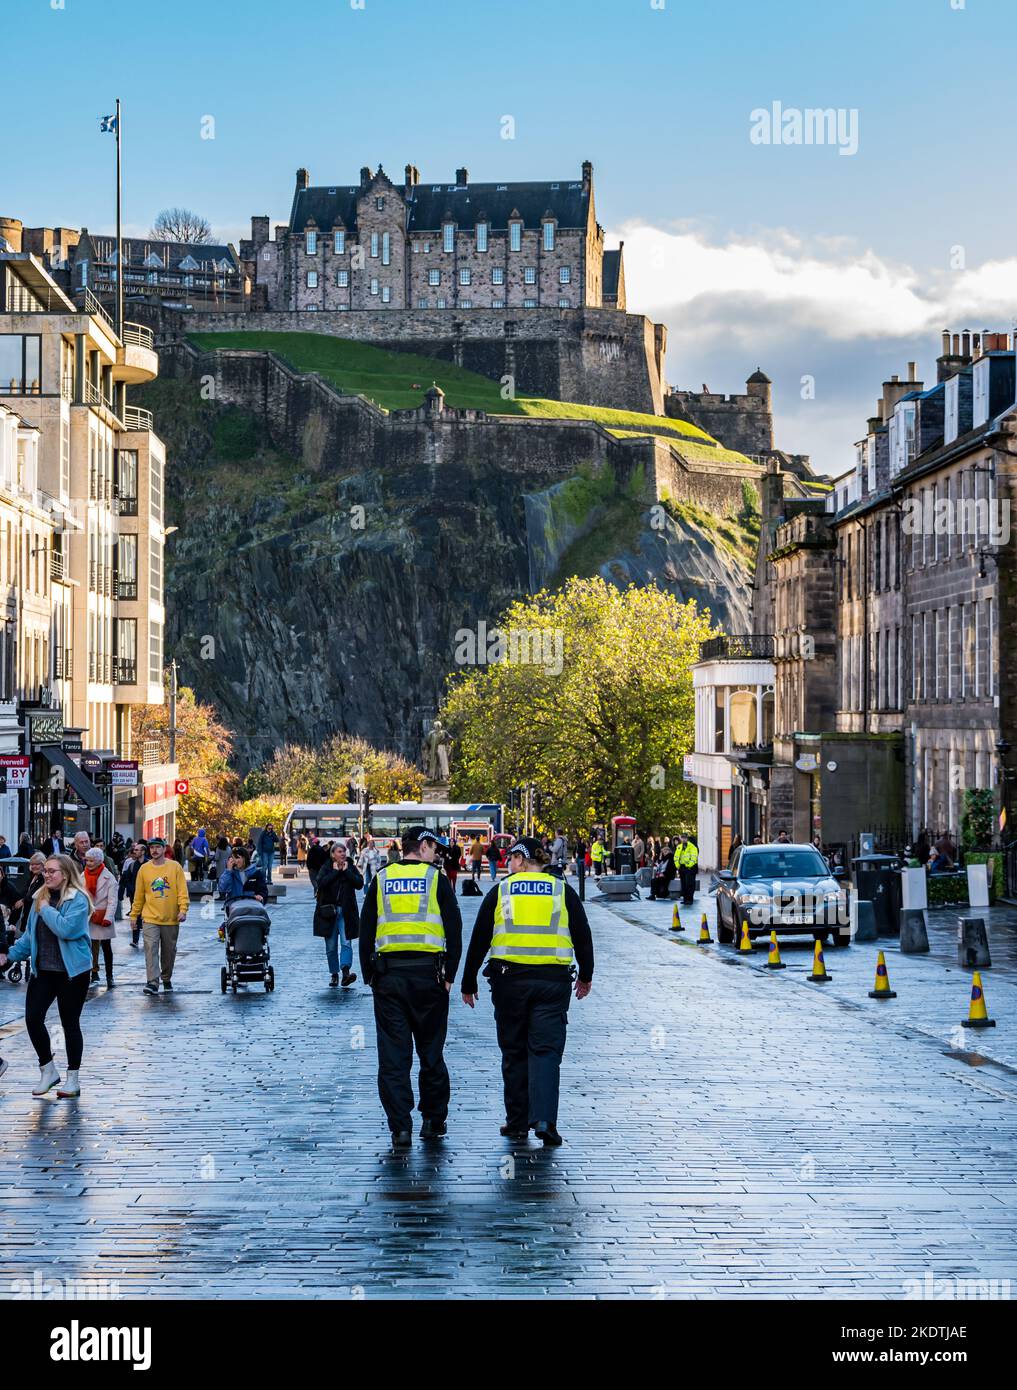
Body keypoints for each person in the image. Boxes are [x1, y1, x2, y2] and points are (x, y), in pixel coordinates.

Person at [461, 836, 594, 1146]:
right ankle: (545, 1120)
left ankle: (517, 1123)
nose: (508, 864)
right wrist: (585, 976)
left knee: (514, 1052)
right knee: (546, 1052)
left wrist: (468, 981)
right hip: (553, 983)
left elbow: (480, 937)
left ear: (522, 860)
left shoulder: (502, 891)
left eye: (511, 859)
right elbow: (583, 936)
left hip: (510, 983)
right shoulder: (562, 890)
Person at [358, 826, 463, 1148]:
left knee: (393, 1056)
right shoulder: (436, 880)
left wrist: (369, 976)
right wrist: (450, 976)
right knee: (431, 1053)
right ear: (425, 846)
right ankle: (433, 1120)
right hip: (429, 977)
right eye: (435, 848)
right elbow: (454, 930)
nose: (438, 853)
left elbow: (365, 930)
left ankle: (400, 1126)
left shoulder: (382, 879)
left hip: (389, 978)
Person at [0, 854, 92, 1097]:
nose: (46, 875)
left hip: (72, 972)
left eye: (52, 871)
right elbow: (30, 936)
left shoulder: (77, 899)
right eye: (45, 871)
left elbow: (66, 929)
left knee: (69, 1024)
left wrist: (45, 910)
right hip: (43, 970)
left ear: (65, 874)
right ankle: (48, 1070)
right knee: (32, 1019)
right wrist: (8, 956)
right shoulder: (41, 897)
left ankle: (73, 1079)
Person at [131, 837, 190, 996]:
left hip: (171, 918)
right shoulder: (144, 869)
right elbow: (139, 896)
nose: (154, 850)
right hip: (150, 917)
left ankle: (166, 977)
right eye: (152, 848)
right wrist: (134, 916)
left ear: (164, 849)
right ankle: (152, 982)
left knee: (169, 952)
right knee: (150, 949)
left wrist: (183, 910)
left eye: (158, 847)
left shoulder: (175, 867)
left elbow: (182, 892)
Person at [314, 840, 363, 987]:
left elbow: (359, 884)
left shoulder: (350, 866)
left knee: (346, 943)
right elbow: (321, 883)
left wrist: (346, 871)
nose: (343, 854)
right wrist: (335, 872)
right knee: (331, 946)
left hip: (346, 911)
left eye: (344, 851)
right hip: (330, 912)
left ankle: (346, 972)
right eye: (339, 852)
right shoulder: (327, 867)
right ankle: (334, 973)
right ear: (333, 854)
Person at [83, 847, 118, 987]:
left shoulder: (109, 877)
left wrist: (108, 917)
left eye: (91, 861)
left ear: (98, 861)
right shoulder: (82, 875)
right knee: (90, 946)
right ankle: (93, 973)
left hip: (103, 916)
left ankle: (110, 975)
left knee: (106, 947)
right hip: (88, 916)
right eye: (87, 860)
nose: (89, 863)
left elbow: (112, 900)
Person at [118, 840, 147, 946]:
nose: (134, 851)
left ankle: (147, 940)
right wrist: (127, 891)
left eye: (137, 850)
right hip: (134, 896)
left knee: (147, 918)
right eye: (134, 850)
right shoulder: (132, 865)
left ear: (143, 852)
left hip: (147, 897)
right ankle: (135, 940)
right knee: (135, 917)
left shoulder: (149, 865)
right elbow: (125, 880)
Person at [676, 833, 699, 907]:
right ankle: (685, 899)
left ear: (687, 838)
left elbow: (694, 857)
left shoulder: (692, 847)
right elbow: (676, 856)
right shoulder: (679, 847)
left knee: (689, 884)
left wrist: (689, 866)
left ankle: (689, 899)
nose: (683, 839)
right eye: (682, 838)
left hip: (690, 868)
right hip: (682, 867)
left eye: (685, 838)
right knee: (684, 884)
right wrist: (678, 865)